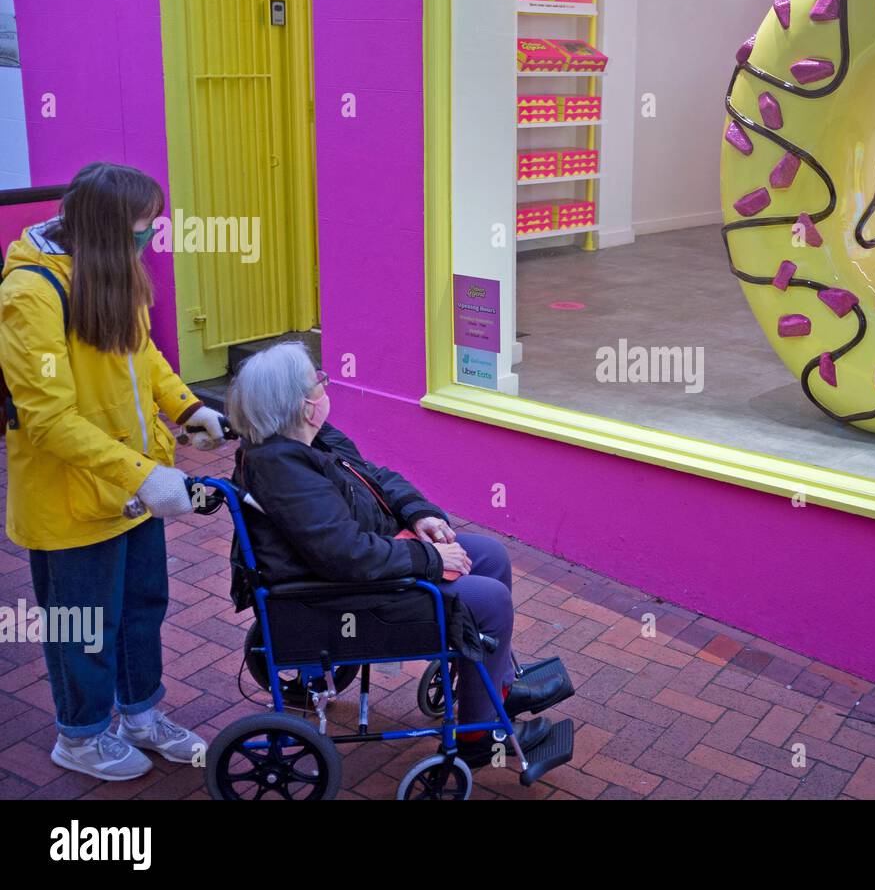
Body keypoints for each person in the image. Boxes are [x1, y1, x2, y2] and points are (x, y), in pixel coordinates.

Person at [225, 342, 566, 767]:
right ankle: (479, 736)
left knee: (490, 555)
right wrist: (431, 560)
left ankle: (490, 686)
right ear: (304, 405)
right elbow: (343, 555)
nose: (326, 385)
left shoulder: (314, 440)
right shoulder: (284, 470)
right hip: (344, 593)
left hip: (373, 556)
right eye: (319, 381)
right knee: (489, 602)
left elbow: (377, 477)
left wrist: (417, 512)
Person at [0, 162, 229, 781]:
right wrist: (143, 475)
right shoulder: (30, 294)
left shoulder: (110, 270)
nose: (149, 239)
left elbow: (143, 353)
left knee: (140, 610)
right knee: (84, 626)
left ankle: (140, 715)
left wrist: (188, 405)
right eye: (140, 230)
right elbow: (47, 418)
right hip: (72, 499)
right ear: (103, 230)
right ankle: (79, 736)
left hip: (132, 491)